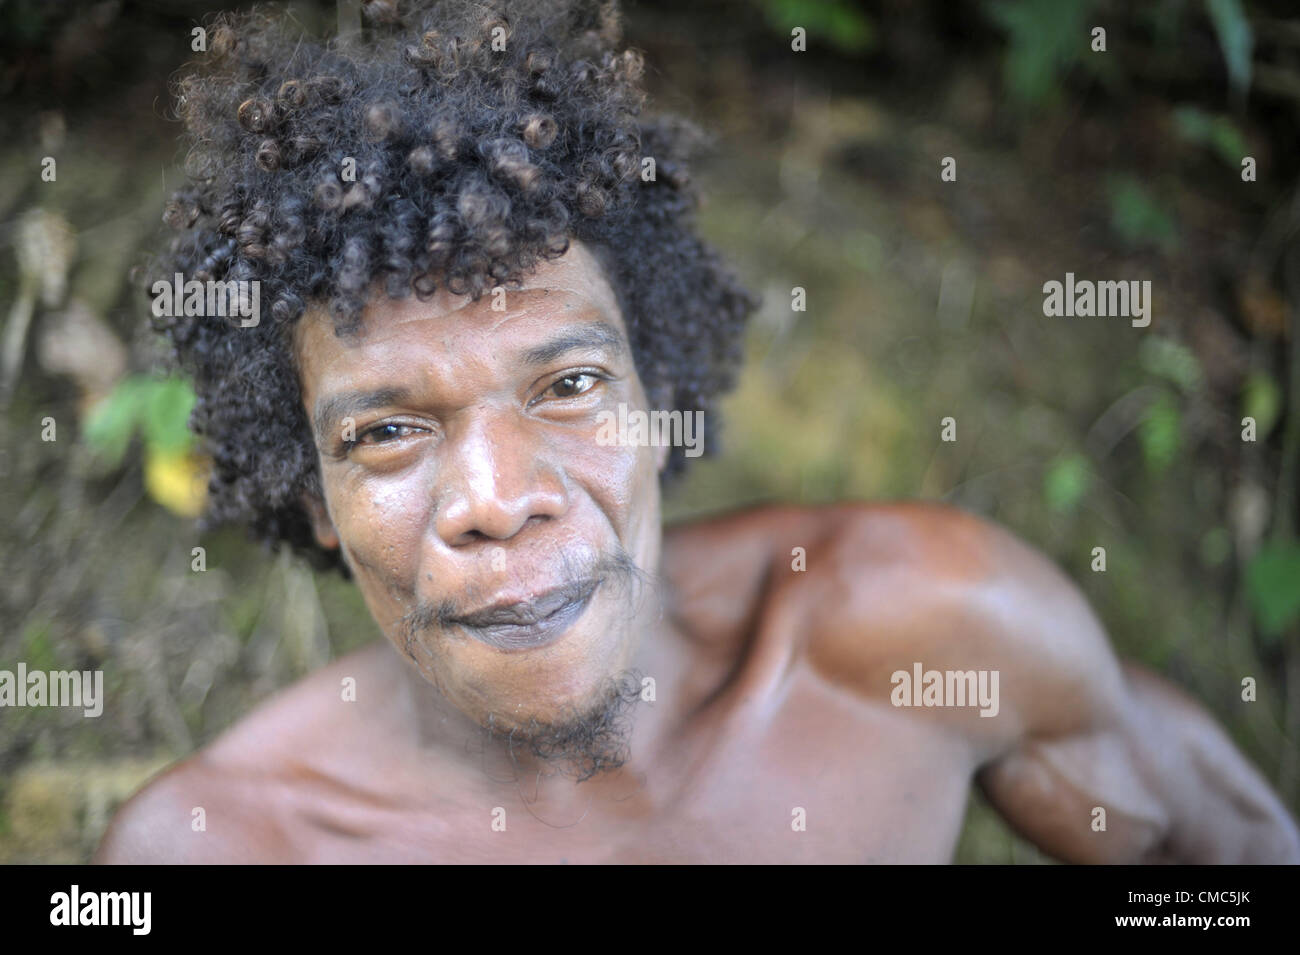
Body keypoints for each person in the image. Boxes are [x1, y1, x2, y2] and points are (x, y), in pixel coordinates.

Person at [96, 0, 1300, 863]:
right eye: (390, 435)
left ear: (658, 393)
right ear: (311, 494)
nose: (499, 497)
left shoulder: (923, 626)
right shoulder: (224, 845)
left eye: (567, 387)